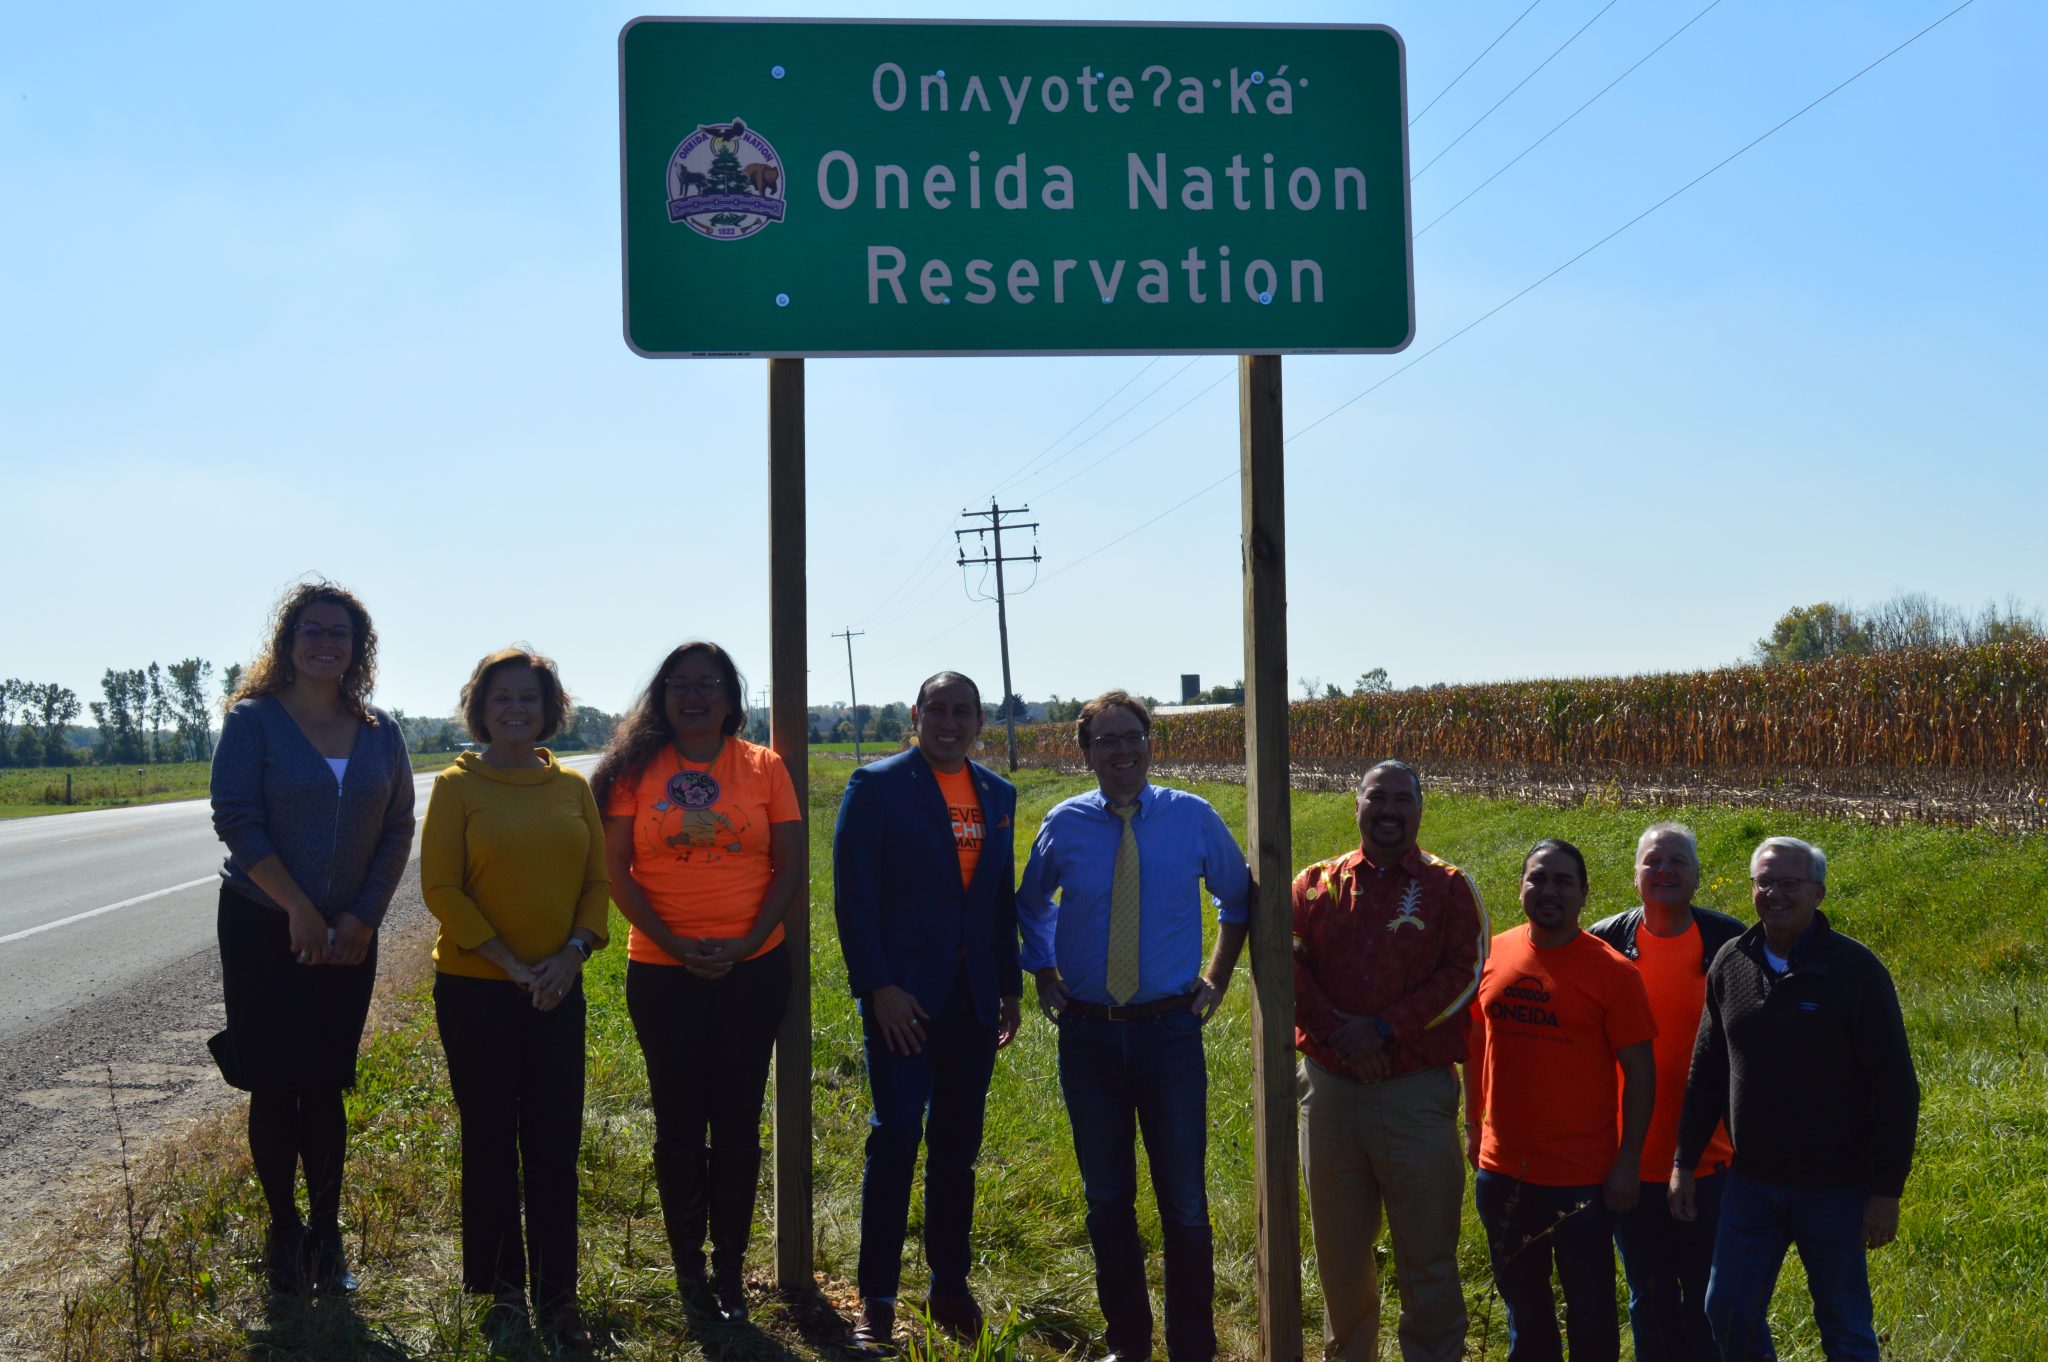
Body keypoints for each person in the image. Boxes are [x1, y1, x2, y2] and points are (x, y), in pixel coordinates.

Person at [1016, 691, 1251, 1362]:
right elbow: (1031, 905)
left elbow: (1237, 898)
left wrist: (1219, 976)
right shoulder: (1064, 824)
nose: (1122, 751)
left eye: (1132, 737)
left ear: (1152, 744)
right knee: (1107, 1199)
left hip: (1168, 1034)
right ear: (1085, 753)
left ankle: (1193, 1346)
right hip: (1088, 1037)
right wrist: (1043, 971)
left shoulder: (1193, 818)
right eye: (1107, 741)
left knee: (1184, 1201)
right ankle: (1129, 1344)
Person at [207, 580, 415, 1295]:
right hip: (264, 925)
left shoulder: (382, 731)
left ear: (358, 649)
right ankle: (282, 1227)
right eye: (312, 631)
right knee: (274, 1081)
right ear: (288, 643)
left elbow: (396, 829)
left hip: (350, 933)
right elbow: (236, 816)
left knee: (326, 1082)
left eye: (340, 634)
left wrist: (363, 917)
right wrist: (296, 906)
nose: (325, 643)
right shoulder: (254, 720)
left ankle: (326, 1233)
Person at [592, 641, 804, 1323]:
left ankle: (731, 1272)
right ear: (662, 696)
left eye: (707, 683)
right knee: (678, 1117)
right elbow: (617, 871)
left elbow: (789, 867)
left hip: (755, 968)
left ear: (730, 696)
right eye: (679, 684)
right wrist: (674, 942)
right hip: (661, 970)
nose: (693, 695)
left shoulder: (764, 767)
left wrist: (745, 943)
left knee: (738, 1116)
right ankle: (689, 1266)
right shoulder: (632, 771)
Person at [420, 647, 608, 1352]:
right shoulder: (455, 786)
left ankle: (559, 1299)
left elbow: (597, 884)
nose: (516, 710)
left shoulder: (572, 787)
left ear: (549, 707)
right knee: (492, 1138)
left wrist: (570, 955)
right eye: (502, 698)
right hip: (477, 992)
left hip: (559, 990)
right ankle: (499, 1293)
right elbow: (441, 888)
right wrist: (509, 963)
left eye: (529, 698)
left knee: (555, 1143)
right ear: (480, 706)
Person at [832, 671, 1022, 1356]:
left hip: (972, 1004)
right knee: (895, 1139)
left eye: (961, 711)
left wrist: (1009, 987)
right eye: (936, 709)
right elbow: (855, 899)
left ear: (978, 720)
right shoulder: (877, 786)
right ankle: (876, 1300)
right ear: (916, 715)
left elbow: (997, 902)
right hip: (903, 1005)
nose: (949, 721)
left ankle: (950, 1283)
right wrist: (878, 987)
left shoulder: (997, 794)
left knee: (957, 1151)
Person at [1673, 837, 1919, 1362]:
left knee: (1845, 1326)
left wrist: (1885, 1192)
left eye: (1789, 883)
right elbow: (1707, 1068)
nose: (1774, 893)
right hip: (1750, 1184)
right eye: (1764, 881)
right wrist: (1684, 1162)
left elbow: (1897, 1086)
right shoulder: (1731, 961)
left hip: (1836, 1188)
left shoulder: (1855, 971)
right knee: (1728, 1310)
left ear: (1818, 893)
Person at [1291, 759, 1488, 1362]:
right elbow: (1284, 963)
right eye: (1378, 799)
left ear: (1420, 809)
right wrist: (1340, 1036)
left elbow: (1464, 975)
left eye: (1403, 800)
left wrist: (1381, 1031)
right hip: (1328, 1093)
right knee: (1341, 1255)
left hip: (1413, 1093)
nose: (1390, 811)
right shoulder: (1315, 883)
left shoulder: (1449, 887)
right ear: (1357, 806)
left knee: (1427, 1254)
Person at [1464, 839, 1656, 1362]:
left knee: (1590, 1308)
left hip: (1583, 1178)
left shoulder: (1614, 973)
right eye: (1538, 878)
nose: (1548, 890)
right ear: (1521, 886)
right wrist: (1472, 1124)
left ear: (1584, 894)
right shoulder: (1494, 953)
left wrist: (1627, 1164)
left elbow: (1641, 1074)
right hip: (1503, 1172)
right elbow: (1476, 1045)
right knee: (1524, 1307)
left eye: (1562, 881)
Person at [1587, 823, 1742, 1362]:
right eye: (1653, 861)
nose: (1665, 872)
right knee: (1647, 1299)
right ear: (1635, 876)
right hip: (1630, 1162)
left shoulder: (1732, 943)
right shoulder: (1604, 943)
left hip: (1711, 1162)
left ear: (1698, 875)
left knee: (1710, 1302)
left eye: (1678, 861)